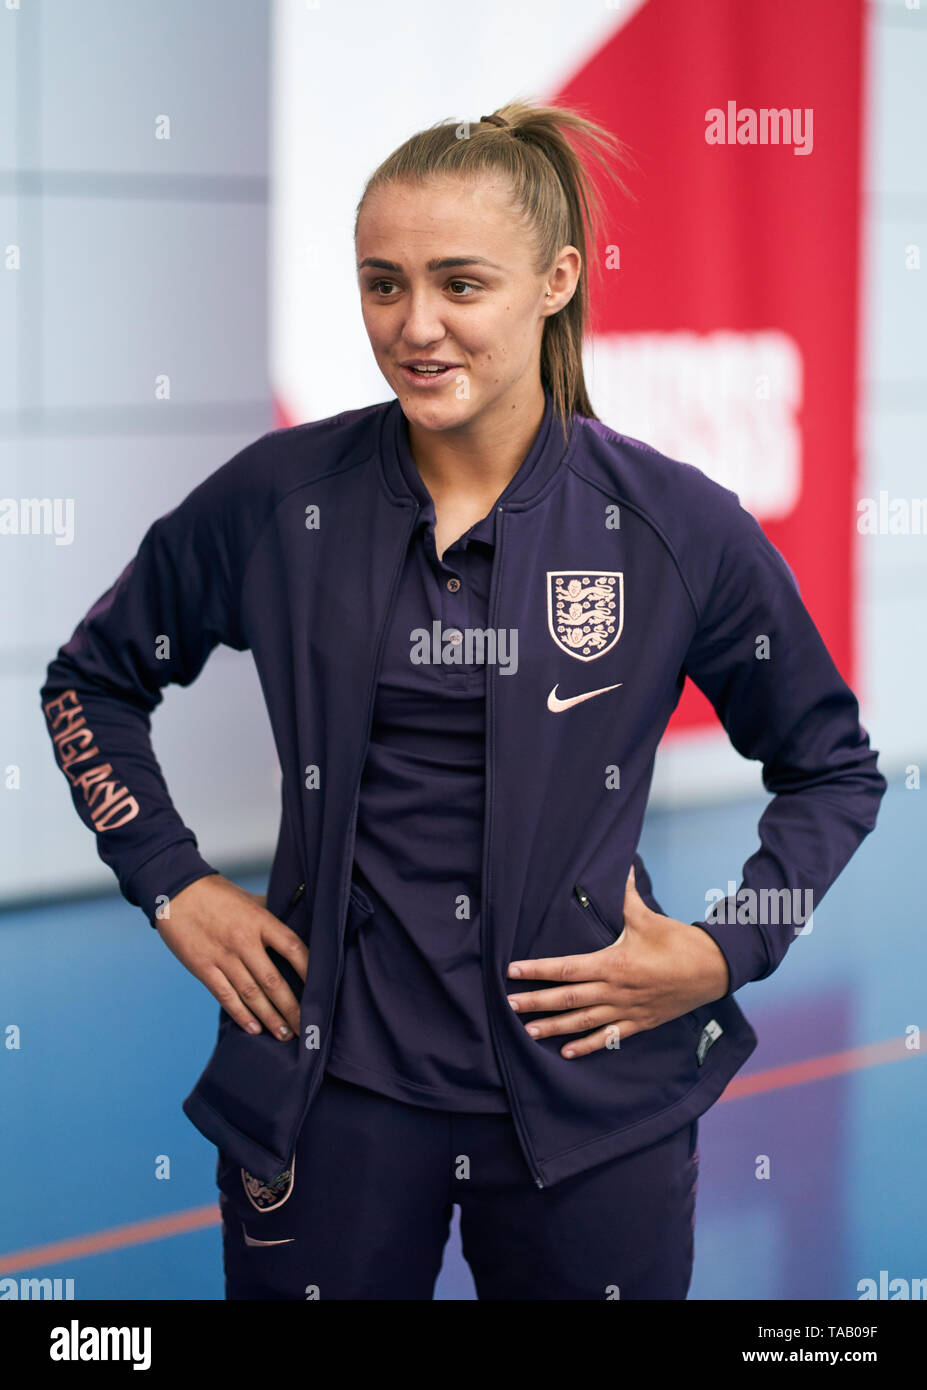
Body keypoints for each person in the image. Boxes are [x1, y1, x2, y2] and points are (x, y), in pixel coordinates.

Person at [39, 99, 887, 1301]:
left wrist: (726, 947)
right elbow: (91, 683)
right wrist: (172, 880)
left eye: (460, 284)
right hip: (330, 1099)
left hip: (595, 1104)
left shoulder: (674, 524)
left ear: (556, 280)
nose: (416, 326)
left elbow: (832, 766)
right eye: (383, 284)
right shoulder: (282, 501)